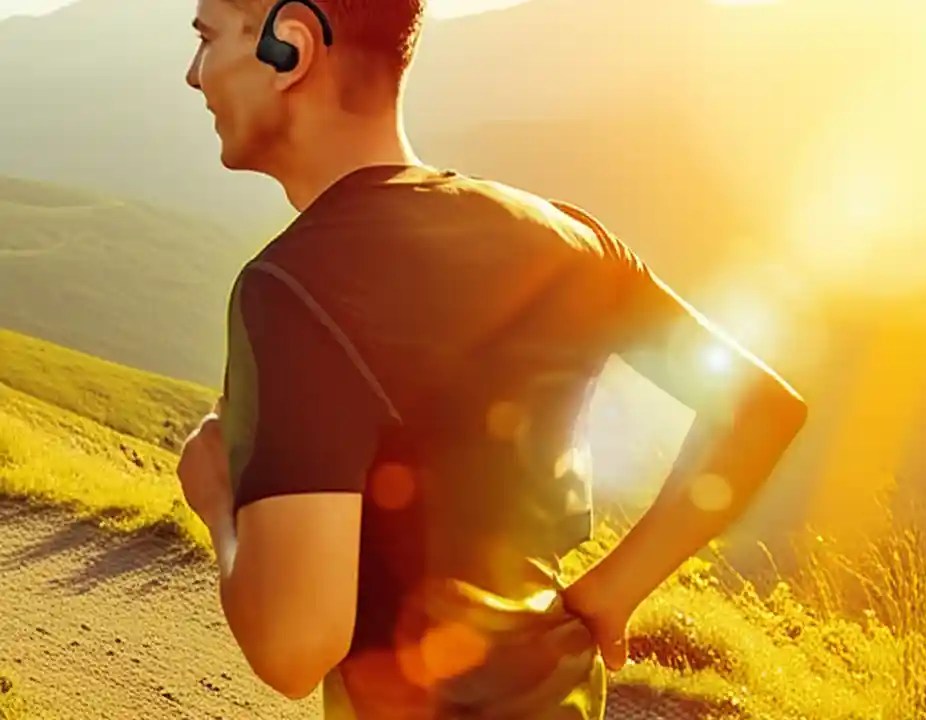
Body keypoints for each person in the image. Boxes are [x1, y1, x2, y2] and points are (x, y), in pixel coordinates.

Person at [175, 0, 809, 717]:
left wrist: (218, 504)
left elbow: (295, 647)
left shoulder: (292, 286)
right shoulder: (568, 238)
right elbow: (760, 408)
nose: (194, 75)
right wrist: (611, 590)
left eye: (206, 38)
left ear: (289, 46)